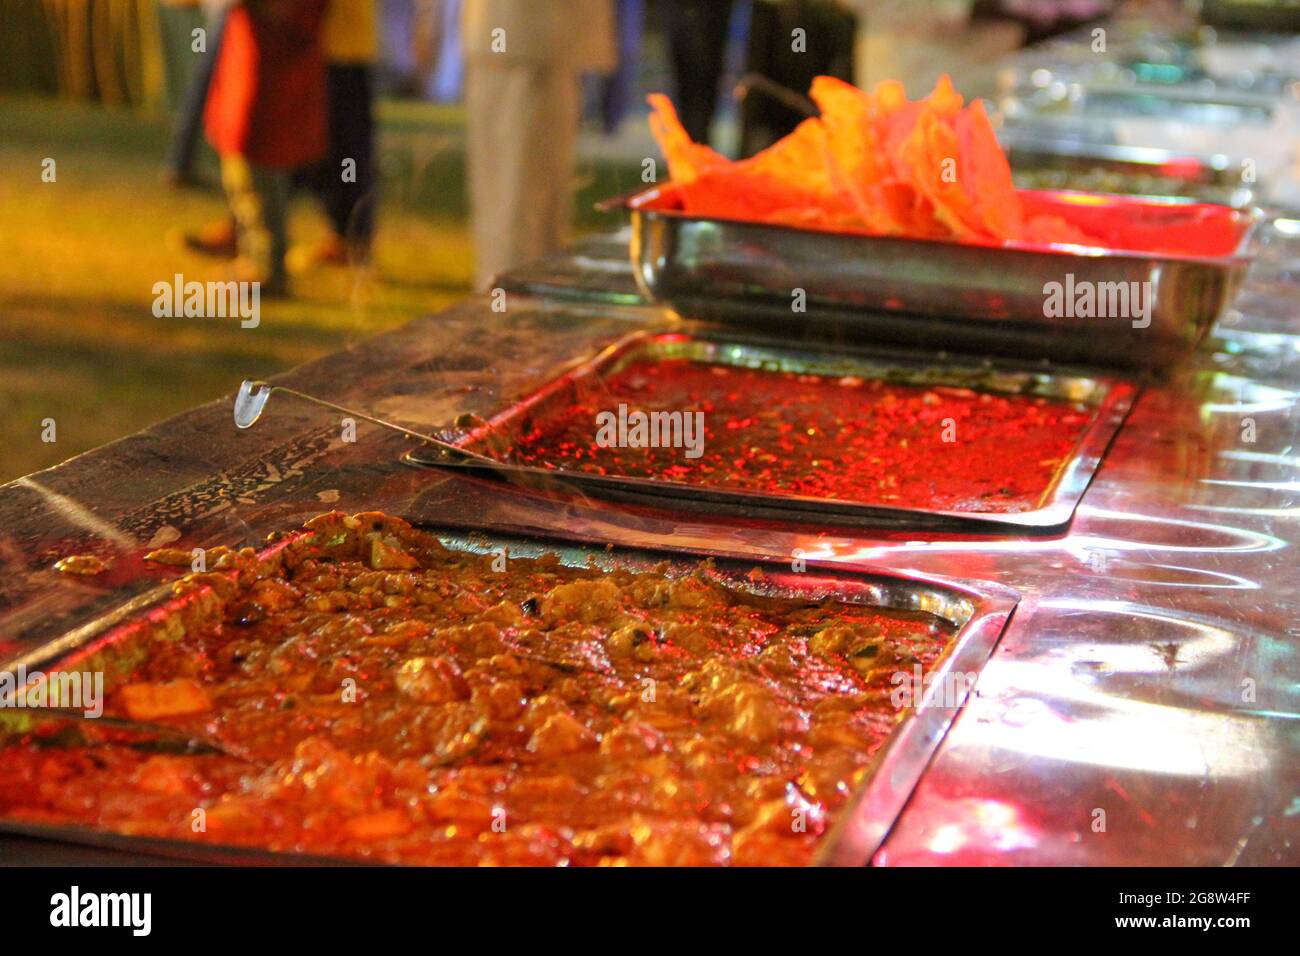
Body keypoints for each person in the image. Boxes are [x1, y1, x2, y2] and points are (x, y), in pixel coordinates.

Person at [461, 0, 617, 290]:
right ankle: (513, 298)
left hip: (533, 43)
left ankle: (523, 292)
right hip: (526, 40)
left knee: (529, 200)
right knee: (517, 199)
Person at [202, 0, 329, 294]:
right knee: (242, 169)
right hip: (250, 53)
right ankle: (253, 258)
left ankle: (268, 268)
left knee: (261, 167)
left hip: (274, 64)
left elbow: (290, 13)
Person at [292, 0, 379, 269]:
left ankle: (352, 239)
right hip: (330, 41)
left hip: (342, 44)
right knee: (339, 148)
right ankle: (346, 236)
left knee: (347, 150)